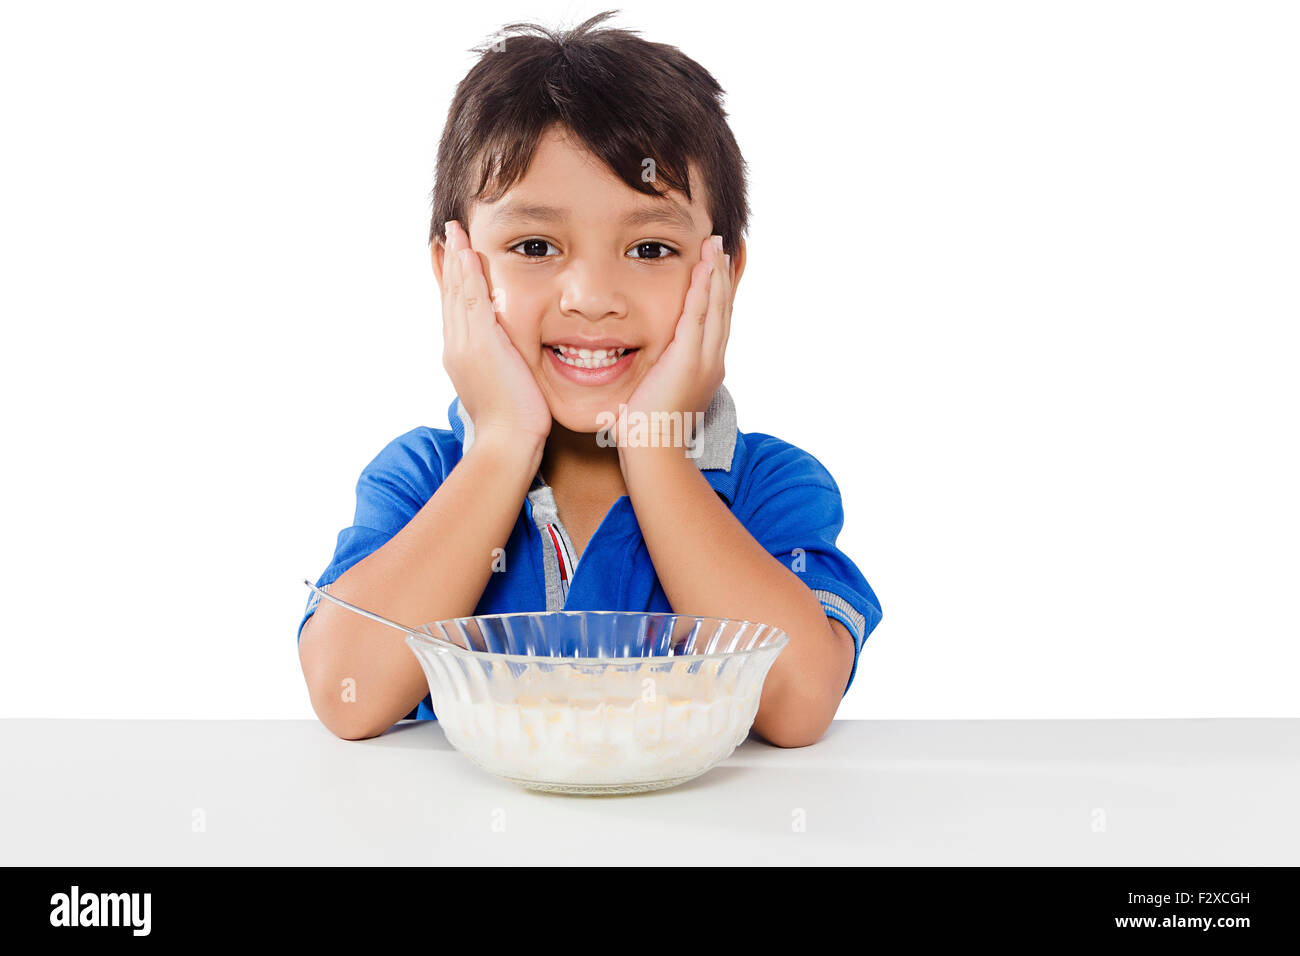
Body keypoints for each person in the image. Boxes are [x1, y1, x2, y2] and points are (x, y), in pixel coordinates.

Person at [298, 10, 882, 746]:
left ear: (725, 273)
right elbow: (348, 693)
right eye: (535, 245)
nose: (592, 296)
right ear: (456, 271)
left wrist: (657, 452)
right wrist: (503, 442)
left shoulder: (769, 485)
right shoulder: (423, 479)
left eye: (649, 249)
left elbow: (796, 704)